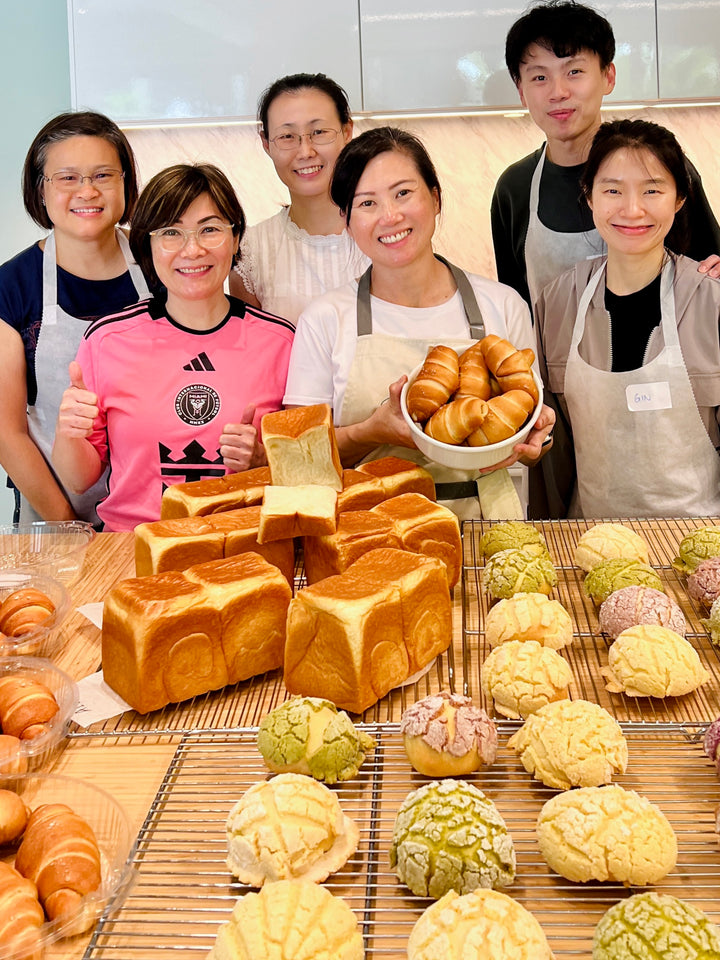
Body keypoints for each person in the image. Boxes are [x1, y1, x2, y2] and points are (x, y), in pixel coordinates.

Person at [284, 126, 555, 517]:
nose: (390, 216)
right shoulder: (324, 320)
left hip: (490, 532)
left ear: (435, 197)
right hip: (371, 537)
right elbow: (298, 454)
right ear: (345, 219)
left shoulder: (502, 305)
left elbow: (530, 424)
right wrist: (370, 431)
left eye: (403, 193)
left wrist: (538, 440)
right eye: (366, 203)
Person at [52, 163, 294, 532]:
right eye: (171, 233)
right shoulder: (107, 340)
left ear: (236, 238)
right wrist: (69, 429)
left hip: (243, 547)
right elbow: (79, 479)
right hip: (132, 547)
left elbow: (307, 472)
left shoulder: (281, 342)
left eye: (210, 229)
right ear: (148, 246)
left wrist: (261, 460)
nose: (192, 249)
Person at [535, 118, 720, 518]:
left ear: (680, 198)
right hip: (589, 544)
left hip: (703, 550)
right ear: (589, 196)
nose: (632, 210)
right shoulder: (557, 304)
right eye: (613, 190)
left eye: (652, 190)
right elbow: (553, 454)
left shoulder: (711, 302)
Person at [491, 0, 720, 310]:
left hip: (662, 355)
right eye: (539, 77)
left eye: (574, 71)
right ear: (521, 90)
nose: (558, 91)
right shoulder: (513, 188)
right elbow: (514, 307)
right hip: (554, 358)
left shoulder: (659, 167)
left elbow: (711, 269)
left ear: (608, 76)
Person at [0, 111, 150, 525]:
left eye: (103, 175)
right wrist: (69, 526)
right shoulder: (12, 285)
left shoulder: (162, 265)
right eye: (67, 178)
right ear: (41, 191)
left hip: (158, 513)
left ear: (125, 184)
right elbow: (7, 434)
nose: (87, 191)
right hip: (56, 515)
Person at [229, 72, 369, 324]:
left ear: (347, 131)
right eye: (287, 136)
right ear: (266, 143)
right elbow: (253, 353)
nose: (306, 151)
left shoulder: (384, 231)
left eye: (318, 132)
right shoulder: (251, 252)